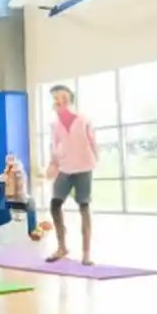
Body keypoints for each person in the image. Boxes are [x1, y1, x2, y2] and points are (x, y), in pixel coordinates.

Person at [44, 85, 98, 264]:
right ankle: (62, 247)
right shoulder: (55, 124)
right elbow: (55, 146)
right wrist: (53, 165)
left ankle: (86, 253)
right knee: (55, 204)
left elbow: (92, 141)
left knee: (84, 207)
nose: (58, 101)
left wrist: (93, 160)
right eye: (55, 98)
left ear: (70, 100)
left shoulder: (83, 120)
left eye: (62, 98)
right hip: (64, 169)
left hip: (83, 168)